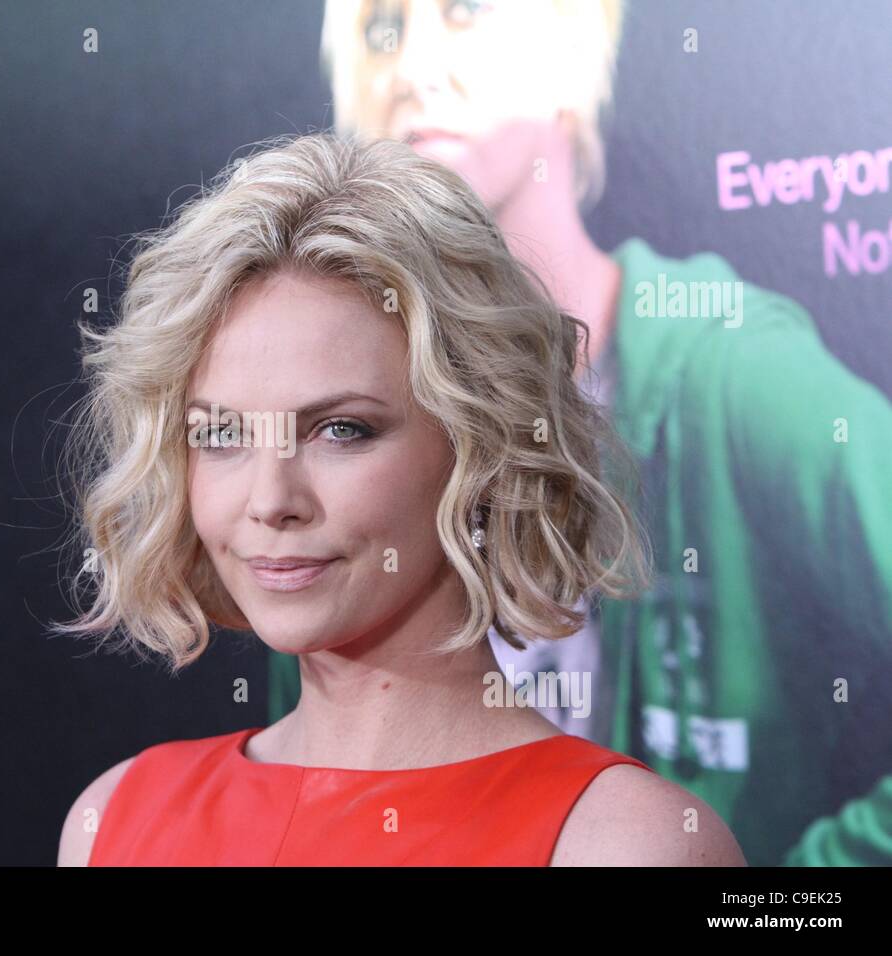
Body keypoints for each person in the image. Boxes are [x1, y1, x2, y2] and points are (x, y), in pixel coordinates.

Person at [266, 0, 892, 866]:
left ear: (572, 49)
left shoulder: (733, 375)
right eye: (381, 29)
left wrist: (778, 905)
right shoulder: (331, 427)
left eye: (464, 12)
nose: (412, 66)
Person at [52, 132, 745, 866]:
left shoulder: (622, 845)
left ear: (481, 446)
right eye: (221, 433)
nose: (271, 499)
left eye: (340, 429)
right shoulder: (114, 822)